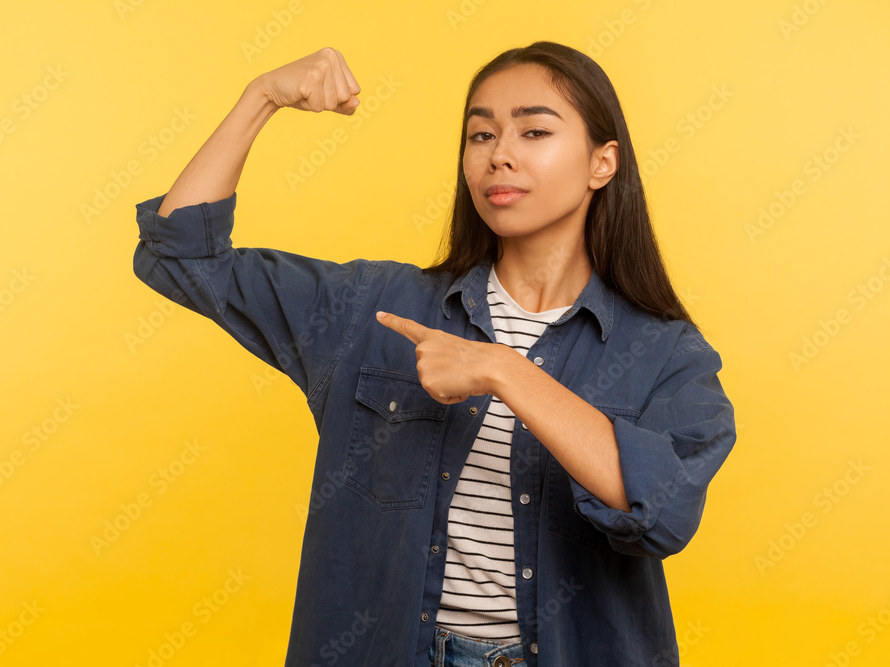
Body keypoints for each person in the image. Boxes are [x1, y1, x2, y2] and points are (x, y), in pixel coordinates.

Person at [132, 42, 736, 666]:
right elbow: (180, 259)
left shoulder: (666, 353)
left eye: (534, 131)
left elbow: (662, 512)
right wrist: (261, 96)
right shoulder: (376, 307)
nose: (499, 154)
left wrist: (503, 368)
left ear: (602, 163)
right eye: (481, 135)